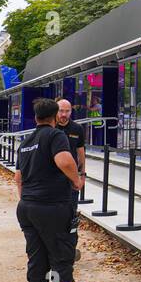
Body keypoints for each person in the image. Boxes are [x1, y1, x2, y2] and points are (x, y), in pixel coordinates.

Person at [16, 98, 84, 282]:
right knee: (61, 255)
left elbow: (18, 178)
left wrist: (26, 200)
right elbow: (64, 160)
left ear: (35, 118)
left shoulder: (25, 142)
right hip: (52, 206)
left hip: (27, 207)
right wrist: (76, 180)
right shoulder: (56, 136)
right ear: (55, 118)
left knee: (36, 256)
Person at [56, 99, 87, 240]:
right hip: (54, 177)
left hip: (72, 177)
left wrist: (82, 175)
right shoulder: (51, 127)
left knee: (71, 212)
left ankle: (70, 244)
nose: (64, 114)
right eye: (61, 110)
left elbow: (81, 154)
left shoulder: (77, 128)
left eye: (67, 111)